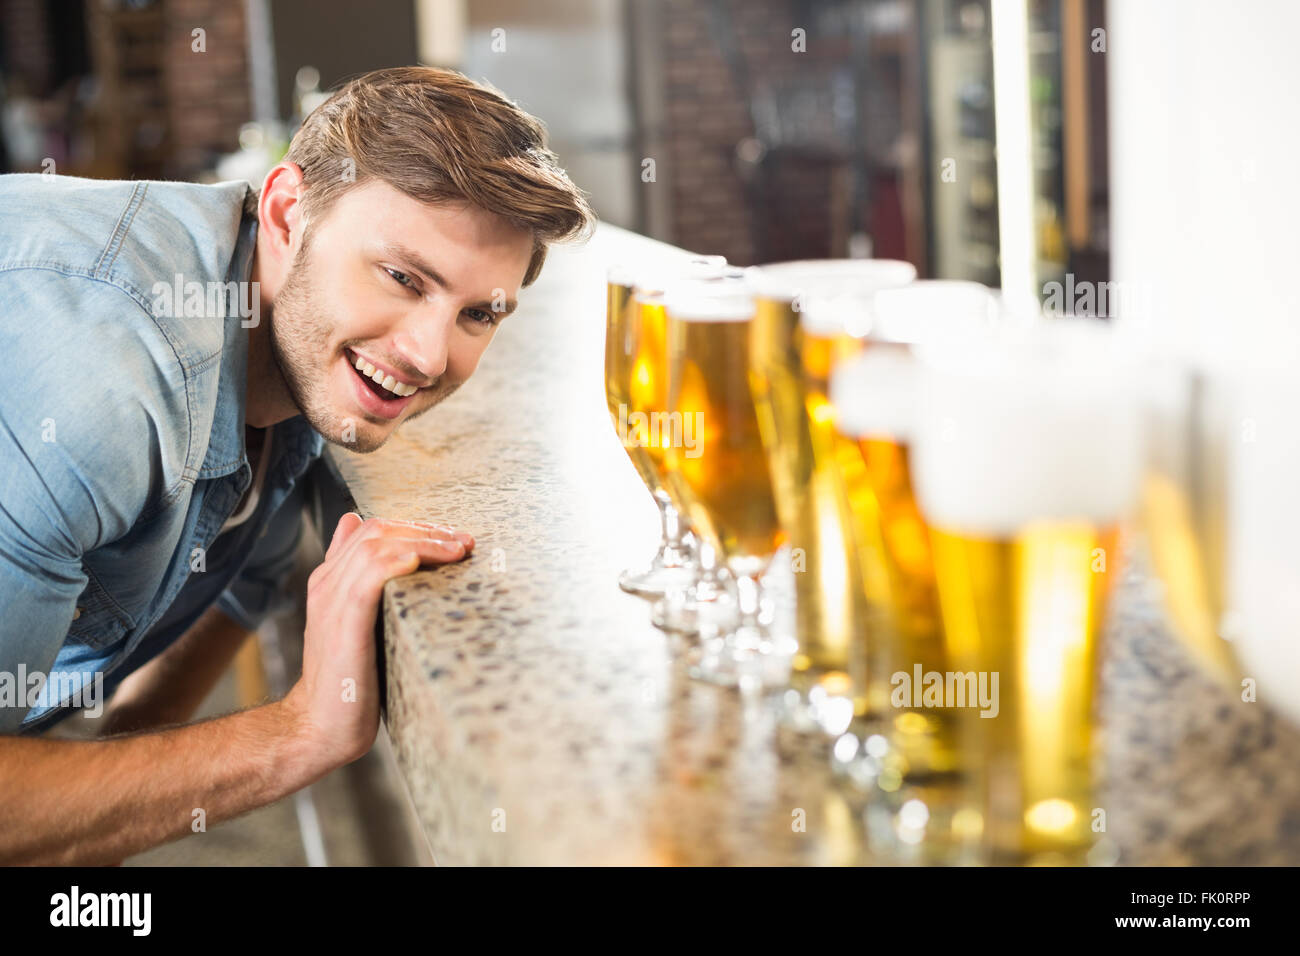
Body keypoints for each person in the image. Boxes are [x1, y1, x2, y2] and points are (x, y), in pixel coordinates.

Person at [0, 66, 594, 863]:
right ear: (286, 211)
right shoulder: (105, 399)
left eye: (477, 313)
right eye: (402, 277)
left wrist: (93, 802)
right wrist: (299, 733)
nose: (425, 354)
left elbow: (242, 586)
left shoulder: (284, 363)